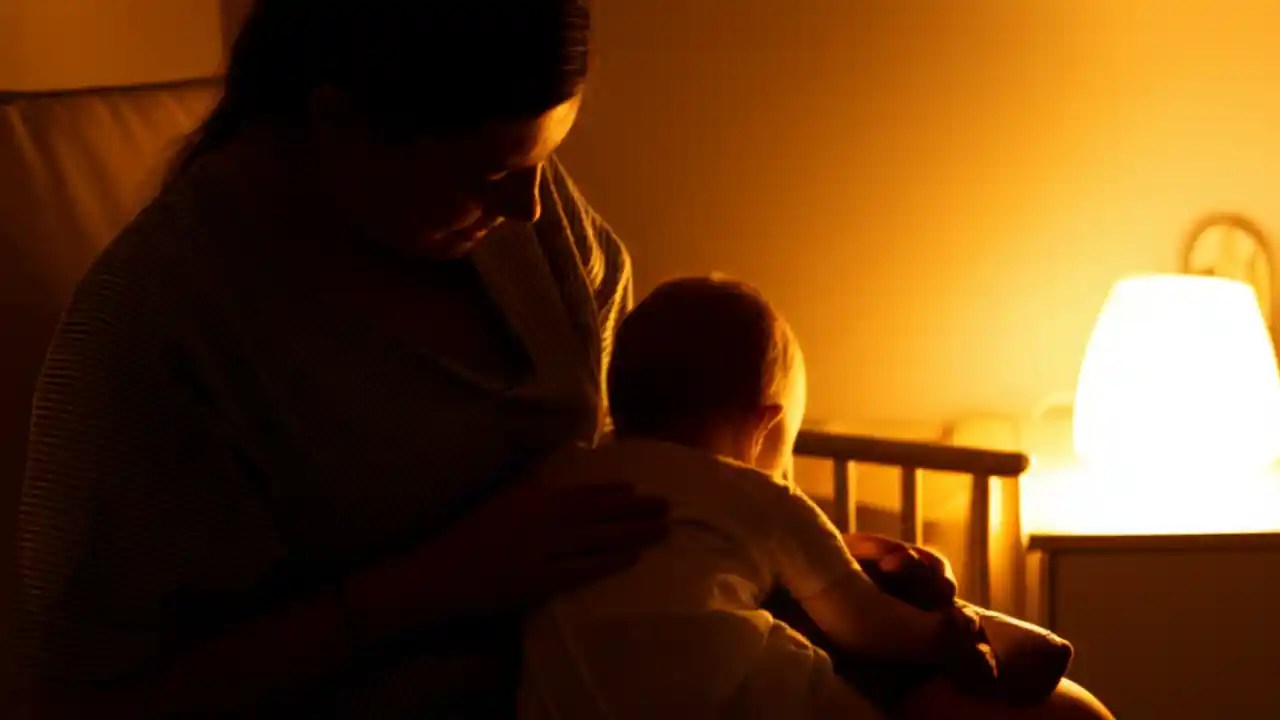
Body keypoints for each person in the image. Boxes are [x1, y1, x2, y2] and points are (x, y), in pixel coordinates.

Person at [12, 1, 1113, 717]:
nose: (535, 206)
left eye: (547, 163)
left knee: (1060, 713)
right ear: (337, 121)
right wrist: (430, 584)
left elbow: (637, 462)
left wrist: (769, 542)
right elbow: (83, 698)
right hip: (444, 687)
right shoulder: (161, 338)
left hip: (635, 651)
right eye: (493, 175)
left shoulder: (519, 231)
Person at [520, 277, 993, 718]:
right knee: (804, 673)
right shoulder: (762, 498)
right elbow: (863, 621)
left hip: (569, 699)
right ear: (765, 426)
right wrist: (942, 634)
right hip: (715, 695)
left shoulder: (567, 471)